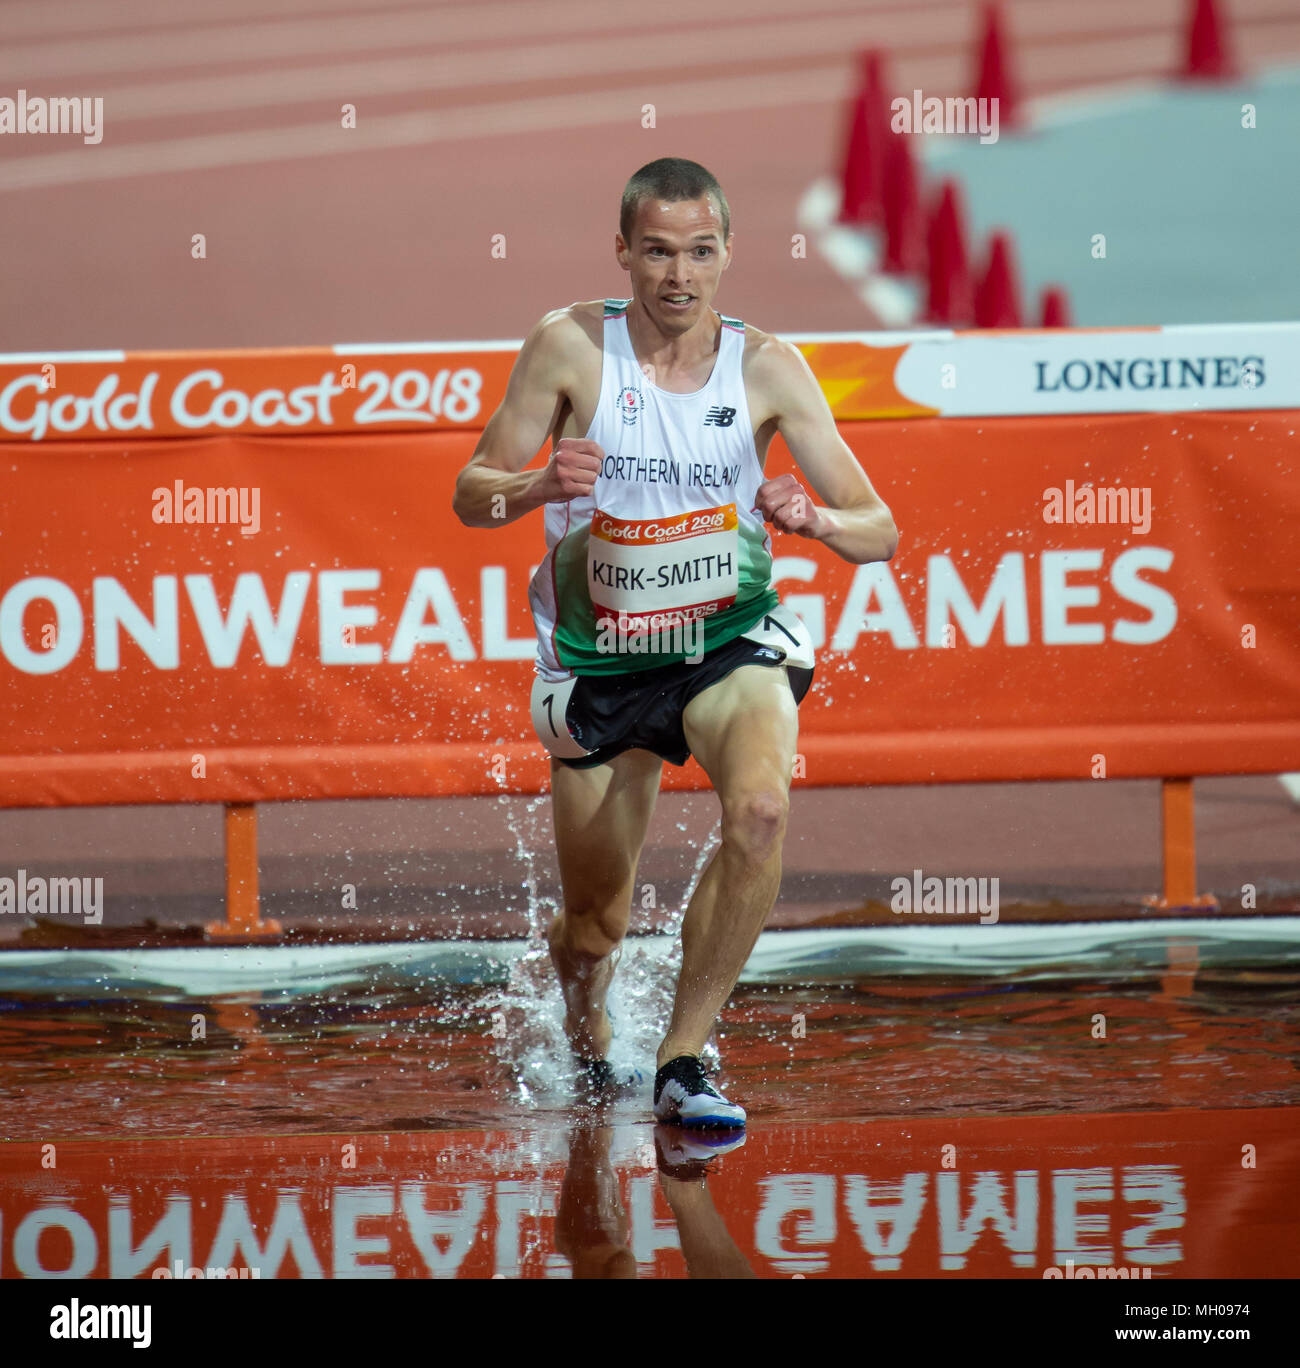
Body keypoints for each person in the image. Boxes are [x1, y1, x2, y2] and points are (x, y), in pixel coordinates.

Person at [453, 157, 897, 1128]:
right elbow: (470, 494)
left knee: (762, 811)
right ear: (622, 251)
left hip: (724, 643)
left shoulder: (768, 366)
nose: (678, 275)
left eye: (699, 251)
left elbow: (881, 529)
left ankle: (683, 1060)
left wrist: (814, 519)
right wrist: (535, 487)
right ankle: (586, 1035)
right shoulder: (568, 348)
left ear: (728, 252)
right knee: (593, 926)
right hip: (602, 666)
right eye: (656, 251)